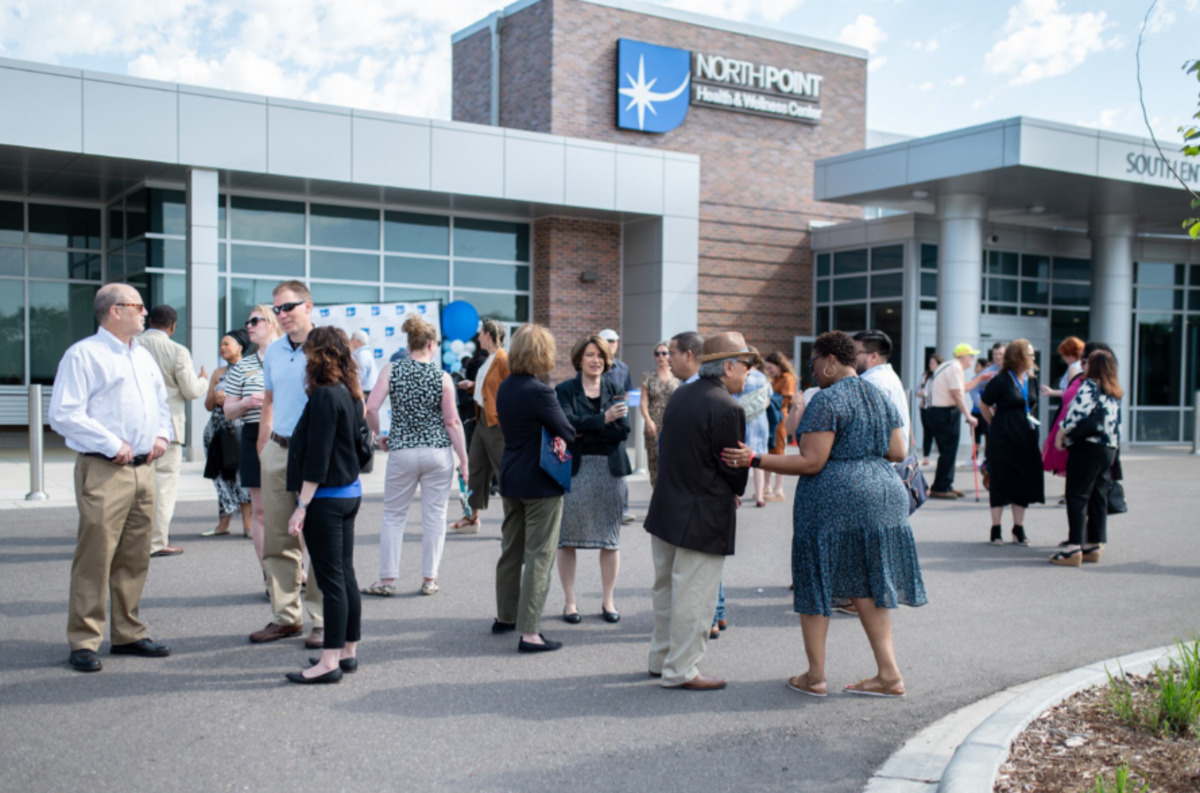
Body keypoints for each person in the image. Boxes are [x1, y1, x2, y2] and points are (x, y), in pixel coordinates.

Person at [721, 331, 926, 699]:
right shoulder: (879, 396)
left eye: (815, 362)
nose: (812, 370)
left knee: (814, 579)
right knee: (869, 585)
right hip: (883, 494)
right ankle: (889, 675)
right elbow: (898, 450)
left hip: (835, 499)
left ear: (831, 361)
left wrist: (755, 459)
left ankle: (815, 676)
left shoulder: (827, 400)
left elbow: (812, 461)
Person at [49, 283, 173, 673]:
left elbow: (161, 404)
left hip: (143, 469)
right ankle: (85, 639)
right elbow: (65, 413)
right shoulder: (84, 355)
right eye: (138, 306)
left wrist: (161, 435)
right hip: (105, 469)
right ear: (114, 311)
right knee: (96, 556)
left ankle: (127, 632)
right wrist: (109, 442)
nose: (145, 312)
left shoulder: (145, 357)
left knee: (135, 556)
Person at [644, 332, 750, 691]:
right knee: (694, 595)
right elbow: (732, 465)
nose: (747, 373)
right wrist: (736, 488)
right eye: (745, 366)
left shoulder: (681, 394)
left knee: (666, 591)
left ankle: (662, 660)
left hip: (668, 506)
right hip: (702, 511)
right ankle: (682, 669)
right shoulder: (727, 407)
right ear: (729, 366)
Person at [362, 315, 469, 597]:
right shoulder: (442, 376)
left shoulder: (391, 370)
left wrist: (378, 434)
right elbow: (452, 423)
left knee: (394, 516)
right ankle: (429, 579)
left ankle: (386, 579)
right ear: (432, 345)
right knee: (435, 516)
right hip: (437, 452)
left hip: (403, 451)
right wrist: (464, 460)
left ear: (410, 343)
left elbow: (371, 408)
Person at [282, 326, 366, 684]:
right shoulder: (349, 393)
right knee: (344, 575)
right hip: (349, 494)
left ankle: (329, 661)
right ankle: (347, 650)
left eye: (307, 351)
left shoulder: (323, 397)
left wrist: (301, 505)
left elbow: (316, 458)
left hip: (327, 499)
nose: (303, 356)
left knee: (332, 580)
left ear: (318, 355)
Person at [493, 325, 576, 652]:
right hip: (540, 479)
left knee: (511, 549)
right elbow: (567, 431)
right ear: (542, 353)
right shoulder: (540, 391)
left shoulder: (506, 386)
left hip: (511, 475)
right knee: (540, 554)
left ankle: (505, 616)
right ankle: (530, 632)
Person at [250, 281, 324, 648]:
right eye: (277, 309)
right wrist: (265, 444)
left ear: (308, 306)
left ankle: (323, 621)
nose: (281, 314)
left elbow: (351, 400)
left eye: (288, 307)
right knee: (279, 538)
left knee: (320, 538)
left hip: (315, 454)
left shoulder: (328, 347)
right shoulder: (275, 352)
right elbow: (269, 399)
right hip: (279, 450)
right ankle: (285, 617)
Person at [555, 335, 632, 624]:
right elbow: (565, 424)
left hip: (609, 472)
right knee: (566, 539)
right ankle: (570, 602)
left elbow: (623, 431)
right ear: (579, 359)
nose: (596, 360)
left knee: (610, 540)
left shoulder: (614, 388)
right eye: (590, 355)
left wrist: (584, 429)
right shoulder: (564, 390)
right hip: (575, 471)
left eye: (600, 355)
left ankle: (608, 601)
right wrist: (604, 419)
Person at [138, 304, 208, 557]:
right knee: (164, 488)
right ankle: (157, 541)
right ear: (173, 326)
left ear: (149, 322)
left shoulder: (133, 345)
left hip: (134, 429)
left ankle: (131, 541)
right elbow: (190, 390)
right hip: (168, 429)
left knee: (133, 488)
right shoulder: (177, 350)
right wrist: (203, 379)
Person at [1050, 350, 1123, 567]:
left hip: (1087, 447)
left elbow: (1074, 415)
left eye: (1088, 362)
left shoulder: (1090, 386)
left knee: (1077, 495)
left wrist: (1061, 435)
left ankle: (1073, 548)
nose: (1084, 366)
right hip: (1108, 448)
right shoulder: (1114, 391)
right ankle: (1094, 544)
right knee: (1098, 495)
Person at [223, 304, 282, 567]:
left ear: (272, 323)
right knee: (260, 513)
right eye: (248, 322)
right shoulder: (243, 366)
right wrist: (246, 403)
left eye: (255, 321)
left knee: (293, 509)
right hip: (252, 436)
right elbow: (228, 412)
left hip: (288, 436)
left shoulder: (295, 357)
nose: (249, 326)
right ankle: (269, 574)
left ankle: (295, 570)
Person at [978, 339, 1045, 546]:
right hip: (1003, 438)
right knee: (1000, 480)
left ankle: (1018, 528)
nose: (1033, 358)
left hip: (1025, 437)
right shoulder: (1001, 380)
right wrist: (994, 424)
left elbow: (1030, 406)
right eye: (1030, 354)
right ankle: (996, 528)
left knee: (1022, 481)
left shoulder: (1031, 380)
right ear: (1018, 356)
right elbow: (984, 404)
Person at [451, 318, 509, 533]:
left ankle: (513, 522)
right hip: (481, 421)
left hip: (496, 424)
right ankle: (471, 517)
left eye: (480, 333)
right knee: (475, 468)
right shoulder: (489, 359)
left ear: (489, 334)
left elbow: (509, 388)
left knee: (503, 472)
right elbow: (490, 388)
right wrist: (473, 386)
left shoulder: (503, 359)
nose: (477, 337)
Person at [201, 329, 252, 537]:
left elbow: (256, 400)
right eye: (221, 345)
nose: (222, 348)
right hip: (216, 431)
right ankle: (223, 524)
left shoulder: (251, 369)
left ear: (240, 347)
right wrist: (215, 395)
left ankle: (249, 526)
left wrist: (232, 399)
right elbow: (207, 405)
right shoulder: (218, 373)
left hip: (240, 429)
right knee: (220, 475)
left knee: (242, 476)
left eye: (227, 344)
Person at [926, 343, 993, 499]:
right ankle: (941, 487)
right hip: (943, 412)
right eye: (971, 356)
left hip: (940, 411)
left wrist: (981, 377)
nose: (972, 359)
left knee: (948, 451)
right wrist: (968, 416)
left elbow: (962, 388)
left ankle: (945, 484)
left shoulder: (951, 366)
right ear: (963, 356)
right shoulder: (955, 368)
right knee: (948, 451)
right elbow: (957, 394)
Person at [598, 328, 636, 525]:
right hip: (598, 421)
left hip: (617, 424)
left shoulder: (622, 368)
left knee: (619, 464)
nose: (611, 344)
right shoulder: (594, 365)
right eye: (608, 341)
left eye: (614, 341)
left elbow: (628, 393)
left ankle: (623, 510)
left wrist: (622, 414)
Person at [853, 330, 911, 447]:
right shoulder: (885, 377)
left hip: (877, 461)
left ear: (873, 356)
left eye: (855, 353)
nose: (850, 358)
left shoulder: (874, 383)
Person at [639, 341, 679, 488]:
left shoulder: (677, 376)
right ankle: (656, 494)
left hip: (673, 423)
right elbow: (644, 402)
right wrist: (648, 420)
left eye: (664, 353)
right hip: (654, 423)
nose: (660, 356)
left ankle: (671, 493)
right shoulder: (648, 376)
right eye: (657, 354)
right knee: (654, 461)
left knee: (672, 459)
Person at [737, 347, 771, 508]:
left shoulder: (742, 375)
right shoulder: (763, 377)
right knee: (758, 458)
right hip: (760, 419)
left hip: (742, 419)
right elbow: (767, 401)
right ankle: (759, 496)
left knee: (740, 456)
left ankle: (737, 493)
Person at [762, 351, 796, 502]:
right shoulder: (773, 378)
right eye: (767, 368)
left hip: (780, 418)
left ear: (779, 365)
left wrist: (769, 399)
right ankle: (767, 486)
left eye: (771, 368)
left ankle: (779, 489)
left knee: (779, 452)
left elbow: (785, 399)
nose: (769, 371)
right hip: (770, 416)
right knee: (768, 452)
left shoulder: (787, 378)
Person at [970, 343, 1005, 486]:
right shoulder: (989, 371)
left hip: (1009, 415)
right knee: (993, 447)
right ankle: (991, 474)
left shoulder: (1013, 370)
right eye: (995, 354)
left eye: (1000, 354)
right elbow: (973, 387)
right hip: (993, 414)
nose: (997, 357)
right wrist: (980, 403)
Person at [916, 354, 944, 466]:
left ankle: (940, 455)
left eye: (932, 363)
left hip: (936, 407)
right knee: (927, 432)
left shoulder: (941, 375)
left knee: (938, 432)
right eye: (930, 363)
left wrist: (927, 394)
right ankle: (926, 457)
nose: (930, 365)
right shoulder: (926, 375)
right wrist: (922, 393)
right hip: (925, 407)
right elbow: (918, 391)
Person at [350, 329, 377, 400]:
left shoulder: (362, 354)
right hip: (367, 389)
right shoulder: (364, 353)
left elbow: (361, 372)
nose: (350, 341)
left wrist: (353, 386)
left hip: (365, 390)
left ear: (358, 341)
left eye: (352, 339)